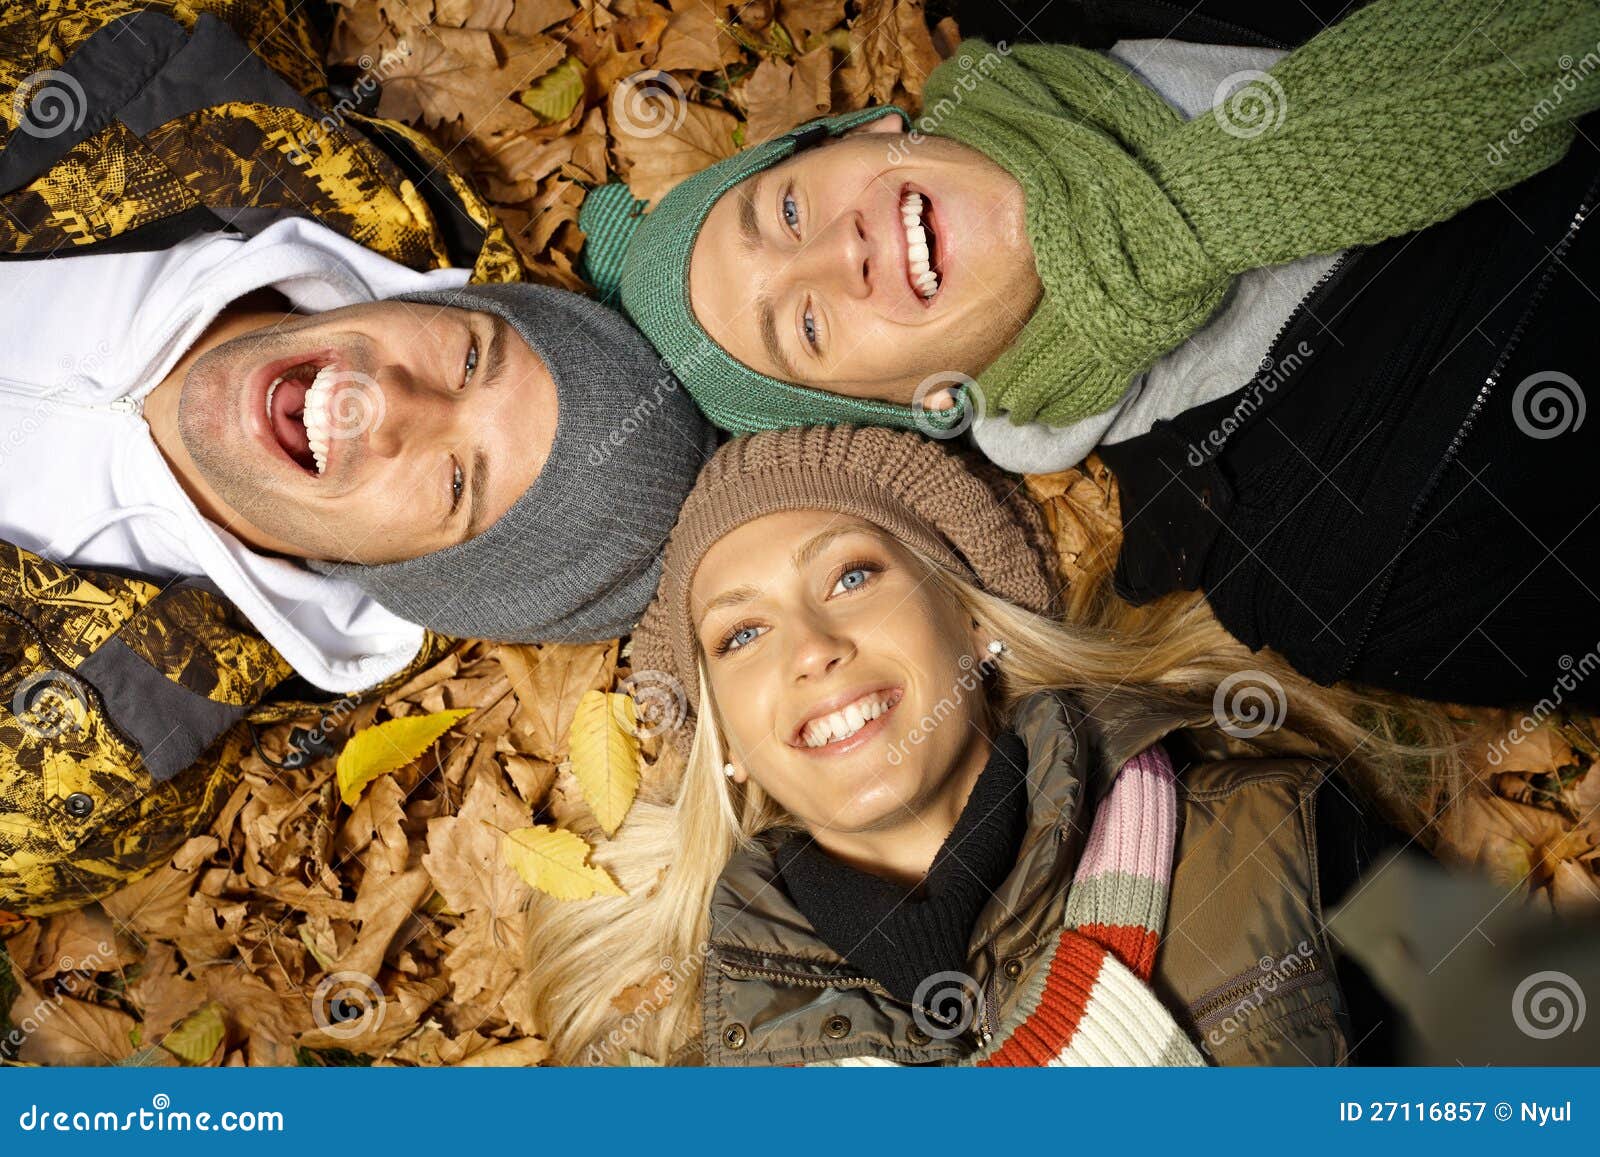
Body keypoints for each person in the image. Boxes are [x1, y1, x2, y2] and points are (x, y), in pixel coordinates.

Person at [577, 0, 1600, 710]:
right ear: (930, 401)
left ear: (868, 128)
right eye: (804, 327)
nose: (833, 253)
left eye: (786, 209)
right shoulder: (1341, 563)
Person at [0, 1, 714, 916]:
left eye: (459, 482)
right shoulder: (173, 43)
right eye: (466, 358)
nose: (393, 404)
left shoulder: (66, 786)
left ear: (411, 578)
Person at [520, 425, 1457, 1067]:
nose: (812, 649)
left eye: (851, 575)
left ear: (972, 626)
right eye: (742, 635)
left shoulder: (1274, 831)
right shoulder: (688, 1057)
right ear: (727, 746)